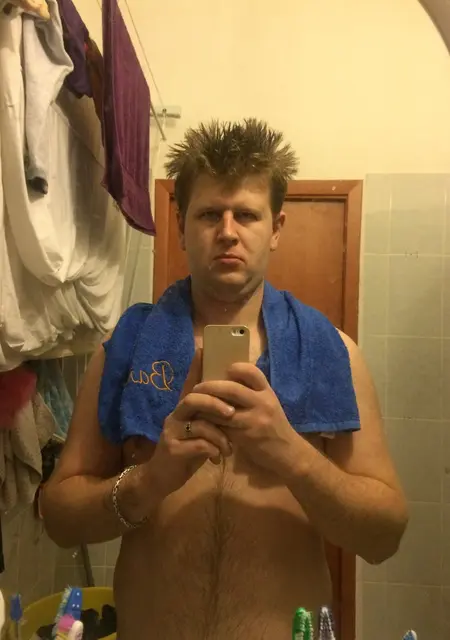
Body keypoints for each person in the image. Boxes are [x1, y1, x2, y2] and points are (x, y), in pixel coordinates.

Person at [42, 119, 408, 640]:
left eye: (248, 215)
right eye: (210, 213)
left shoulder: (335, 356)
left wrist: (291, 453)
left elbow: (384, 537)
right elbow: (59, 519)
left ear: (276, 228)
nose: (228, 231)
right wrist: (151, 480)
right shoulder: (125, 350)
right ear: (181, 225)